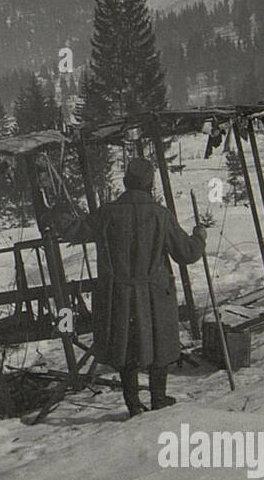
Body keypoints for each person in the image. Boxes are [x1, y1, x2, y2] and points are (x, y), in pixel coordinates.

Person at [78, 158, 207, 417]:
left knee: (126, 347)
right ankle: (158, 398)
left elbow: (75, 230)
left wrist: (56, 206)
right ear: (150, 184)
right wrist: (199, 237)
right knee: (159, 343)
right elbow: (186, 253)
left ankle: (133, 405)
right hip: (154, 294)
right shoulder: (161, 215)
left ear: (126, 181)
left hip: (119, 294)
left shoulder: (106, 213)